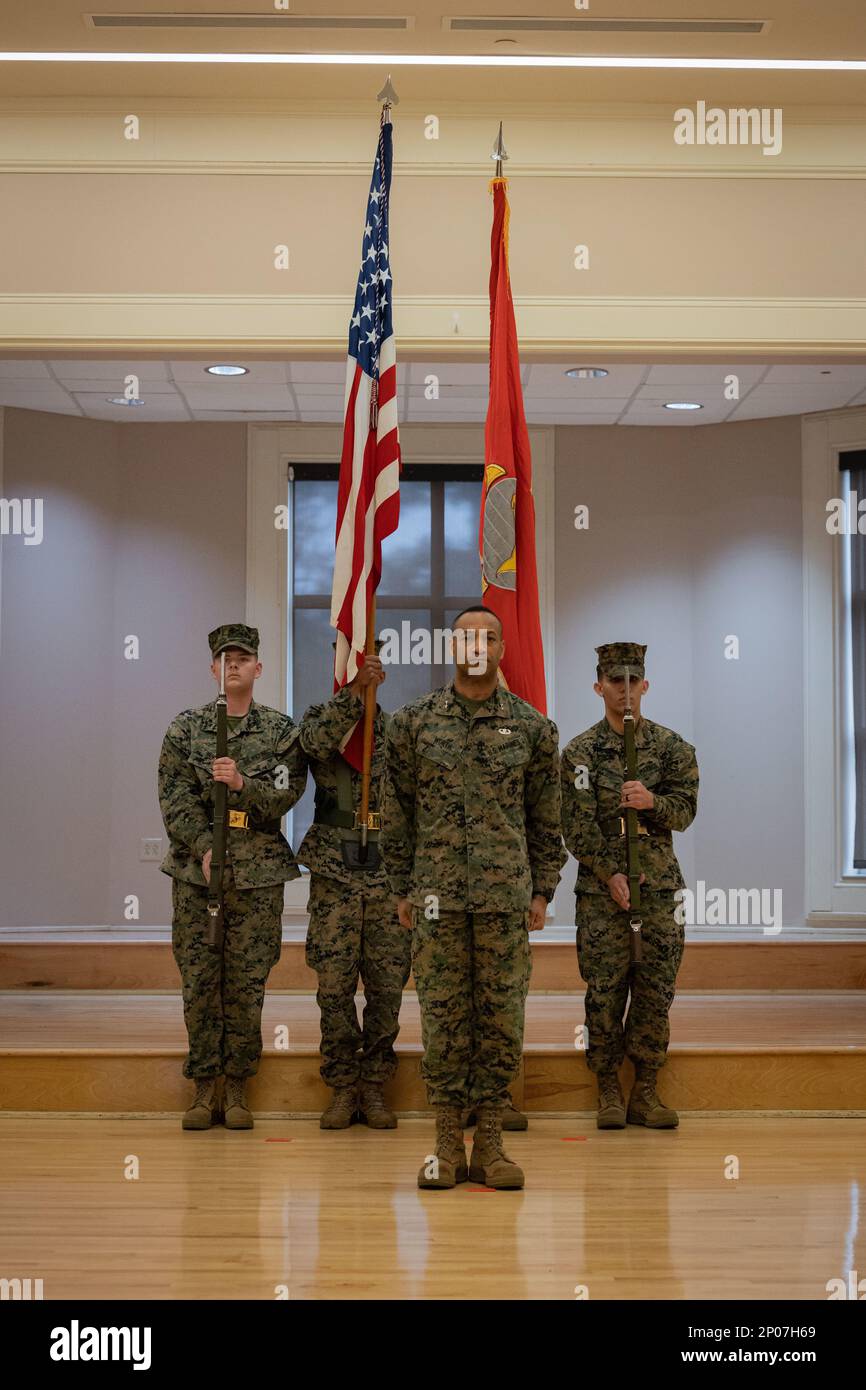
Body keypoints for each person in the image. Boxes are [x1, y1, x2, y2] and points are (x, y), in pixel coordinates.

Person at [383, 606, 565, 1190]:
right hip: (434, 898)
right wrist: (402, 888)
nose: (477, 646)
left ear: (501, 648)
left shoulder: (534, 729)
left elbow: (546, 819)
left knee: (501, 1019)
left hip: (503, 899)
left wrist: (541, 889)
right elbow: (396, 813)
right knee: (441, 1018)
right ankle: (443, 1143)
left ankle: (490, 1142)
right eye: (466, 638)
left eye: (488, 637)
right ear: (451, 648)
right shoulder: (411, 724)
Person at [158, 623, 306, 1131]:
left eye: (243, 658)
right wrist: (203, 847)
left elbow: (286, 795)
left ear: (258, 668)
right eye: (225, 658)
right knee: (200, 980)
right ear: (213, 669)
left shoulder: (282, 733)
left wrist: (242, 784)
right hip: (198, 876)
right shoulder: (185, 729)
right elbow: (174, 801)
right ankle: (203, 1088)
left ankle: (239, 1086)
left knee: (247, 982)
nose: (234, 665)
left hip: (258, 872)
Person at [560, 642, 698, 1130]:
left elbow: (685, 812)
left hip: (659, 890)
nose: (624, 691)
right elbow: (574, 827)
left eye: (632, 681)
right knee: (604, 991)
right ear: (599, 687)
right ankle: (607, 1090)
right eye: (614, 682)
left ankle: (646, 1090)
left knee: (656, 991)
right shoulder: (579, 754)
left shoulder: (674, 748)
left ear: (645, 685)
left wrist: (652, 802)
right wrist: (609, 872)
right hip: (602, 893)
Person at [297, 647, 411, 1129]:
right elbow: (314, 744)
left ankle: (374, 1085)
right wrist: (353, 697)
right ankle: (343, 1085)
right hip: (335, 873)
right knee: (335, 986)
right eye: (356, 665)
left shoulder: (399, 730)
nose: (367, 674)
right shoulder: (323, 721)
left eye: (372, 669)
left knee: (387, 986)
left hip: (388, 871)